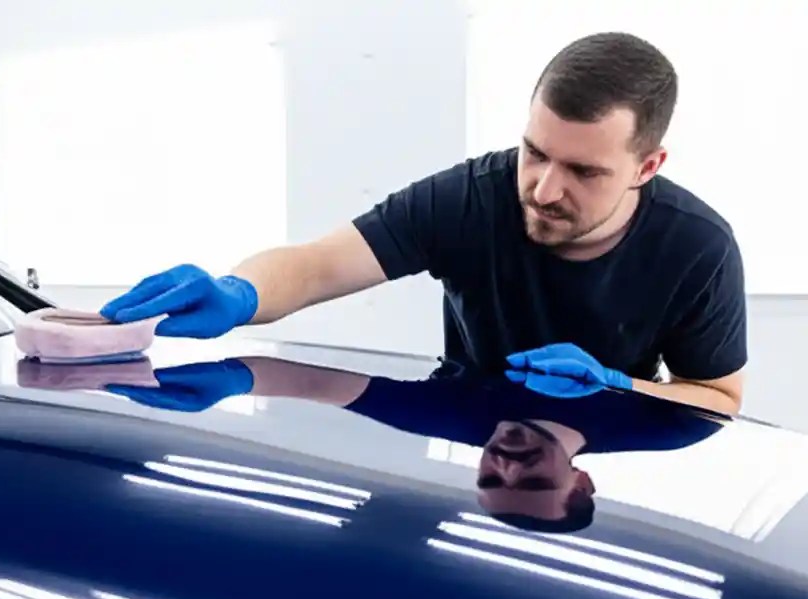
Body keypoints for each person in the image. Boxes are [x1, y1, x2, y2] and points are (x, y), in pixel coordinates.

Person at [98, 32, 747, 417]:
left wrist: (618, 387)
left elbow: (719, 397)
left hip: (614, 448)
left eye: (583, 171)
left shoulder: (699, 248)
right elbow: (318, 264)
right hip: (467, 430)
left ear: (647, 165)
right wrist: (237, 293)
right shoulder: (470, 200)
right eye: (535, 152)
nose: (544, 189)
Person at [102, 355, 727, 533]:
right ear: (581, 482)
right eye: (533, 483)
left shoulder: (447, 415)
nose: (505, 464)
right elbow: (719, 403)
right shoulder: (664, 430)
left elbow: (316, 384)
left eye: (490, 480)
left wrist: (236, 376)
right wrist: (625, 382)